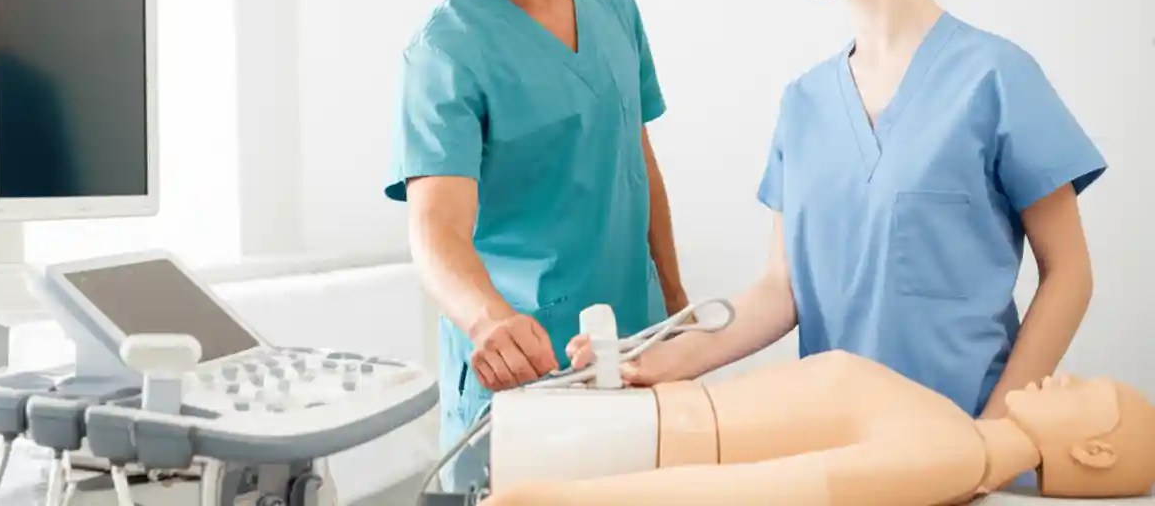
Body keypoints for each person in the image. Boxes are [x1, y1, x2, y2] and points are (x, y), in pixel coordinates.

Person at [570, 0, 1106, 423]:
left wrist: (996, 433)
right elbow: (780, 291)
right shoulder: (805, 102)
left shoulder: (996, 77)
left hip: (967, 437)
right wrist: (653, 359)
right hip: (837, 445)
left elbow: (1069, 273)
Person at [385, 0, 690, 457]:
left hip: (634, 348)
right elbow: (435, 229)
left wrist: (676, 307)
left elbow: (636, 159)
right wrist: (488, 322)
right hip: (524, 368)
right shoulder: (445, 53)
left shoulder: (613, 4)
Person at [479, 350, 1155, 505]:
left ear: (1094, 452)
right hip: (635, 423)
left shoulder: (948, 453)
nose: (1069, 377)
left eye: (1092, 393)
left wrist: (563, 500)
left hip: (610, 453)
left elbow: (759, 492)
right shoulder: (955, 435)